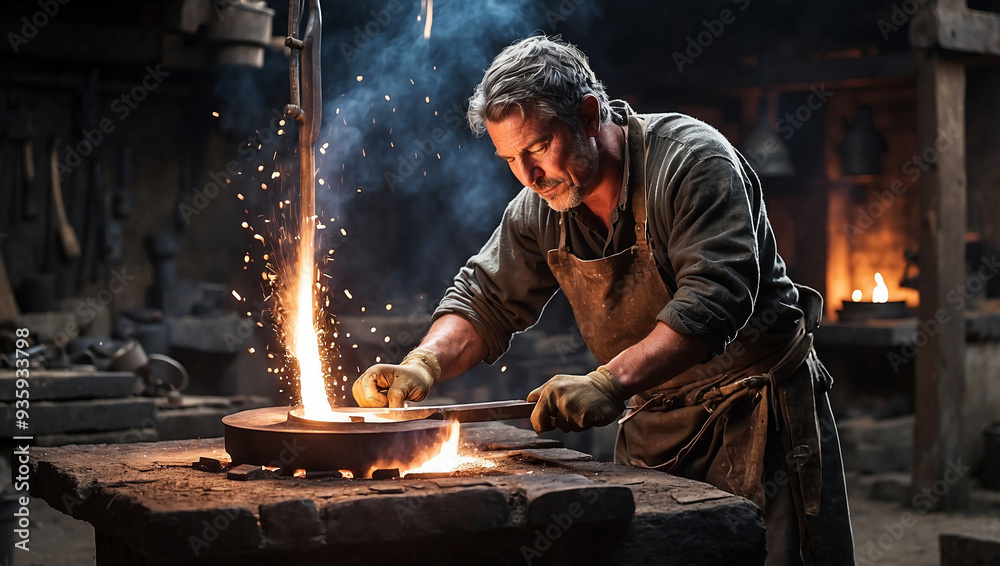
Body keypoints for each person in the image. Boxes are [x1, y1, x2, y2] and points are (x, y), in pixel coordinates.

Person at [352, 36, 855, 565]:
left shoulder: (691, 162)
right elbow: (485, 298)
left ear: (589, 115)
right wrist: (424, 362)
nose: (528, 175)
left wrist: (607, 382)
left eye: (539, 148)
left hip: (759, 418)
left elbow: (716, 298)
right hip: (653, 423)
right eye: (511, 159)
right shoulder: (539, 206)